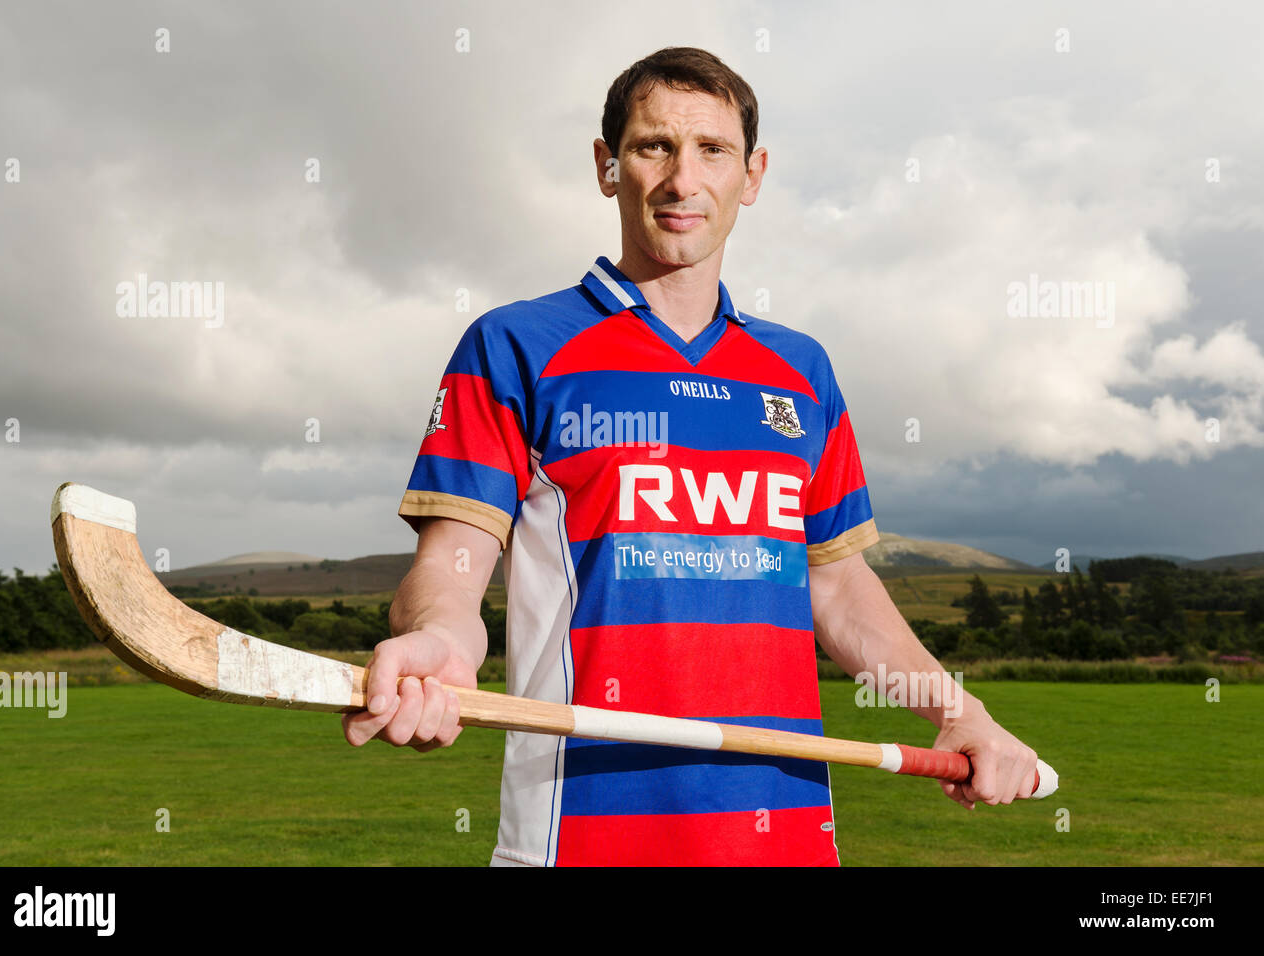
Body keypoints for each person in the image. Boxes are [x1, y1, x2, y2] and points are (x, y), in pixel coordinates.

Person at [343, 46, 1039, 866]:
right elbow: (454, 565)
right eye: (653, 147)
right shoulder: (514, 345)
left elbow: (839, 588)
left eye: (713, 150)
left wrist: (956, 711)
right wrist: (442, 643)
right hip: (579, 836)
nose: (683, 180)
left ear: (753, 174)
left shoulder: (801, 371)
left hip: (787, 838)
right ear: (607, 166)